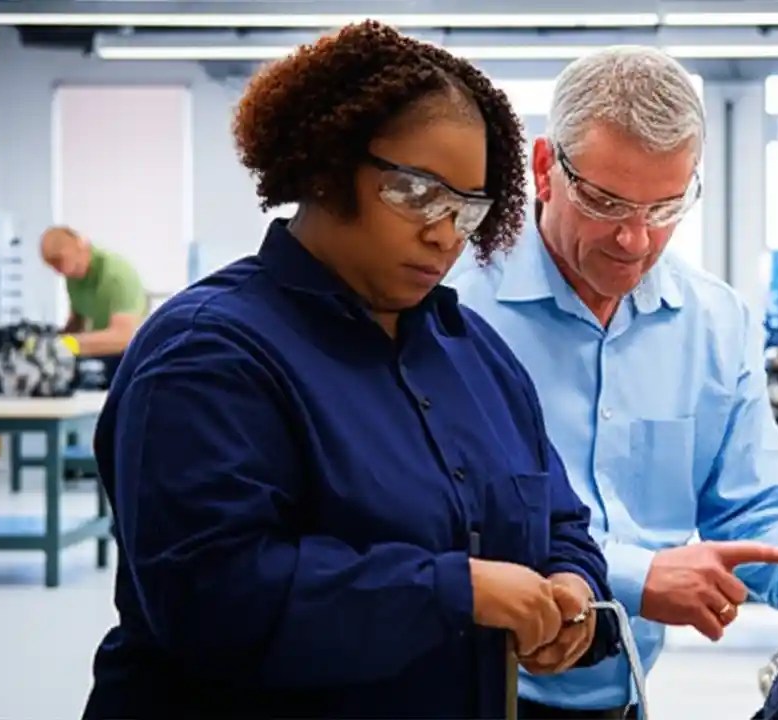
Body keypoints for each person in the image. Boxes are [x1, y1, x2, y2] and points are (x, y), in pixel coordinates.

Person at [82, 21, 617, 720]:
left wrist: (572, 582)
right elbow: (214, 596)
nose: (444, 233)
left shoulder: (474, 354)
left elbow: (558, 518)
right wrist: (455, 590)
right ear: (328, 166)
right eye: (417, 194)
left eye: (467, 209)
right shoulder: (207, 354)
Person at [447, 45, 778, 719]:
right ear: (544, 170)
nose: (636, 241)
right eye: (606, 201)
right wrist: (637, 576)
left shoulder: (712, 322)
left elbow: (758, 514)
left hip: (626, 695)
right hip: (468, 689)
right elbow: (442, 524)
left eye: (667, 206)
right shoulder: (453, 308)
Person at [39, 225, 148, 382]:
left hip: (131, 362)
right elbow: (77, 323)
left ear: (80, 244)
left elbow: (124, 337)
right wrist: (47, 341)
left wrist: (67, 345)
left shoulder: (116, 275)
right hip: (103, 359)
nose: (59, 271)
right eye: (53, 265)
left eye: (60, 261)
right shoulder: (74, 276)